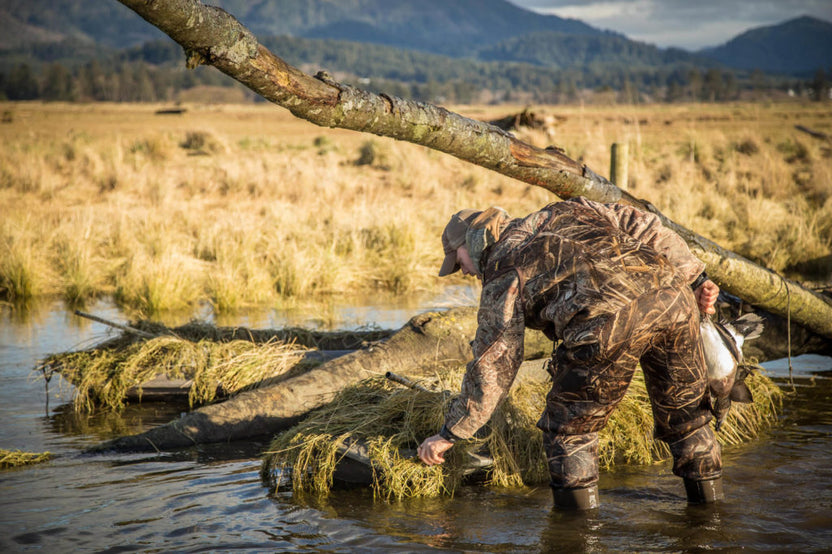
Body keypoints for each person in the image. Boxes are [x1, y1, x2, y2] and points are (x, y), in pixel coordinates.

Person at [417, 197, 722, 510]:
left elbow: (494, 362)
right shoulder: (568, 209)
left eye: (458, 262)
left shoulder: (503, 267)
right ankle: (711, 518)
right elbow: (641, 222)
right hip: (676, 297)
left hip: (607, 322)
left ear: (472, 241)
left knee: (569, 431)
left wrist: (450, 433)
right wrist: (694, 277)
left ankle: (577, 532)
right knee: (689, 418)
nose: (463, 272)